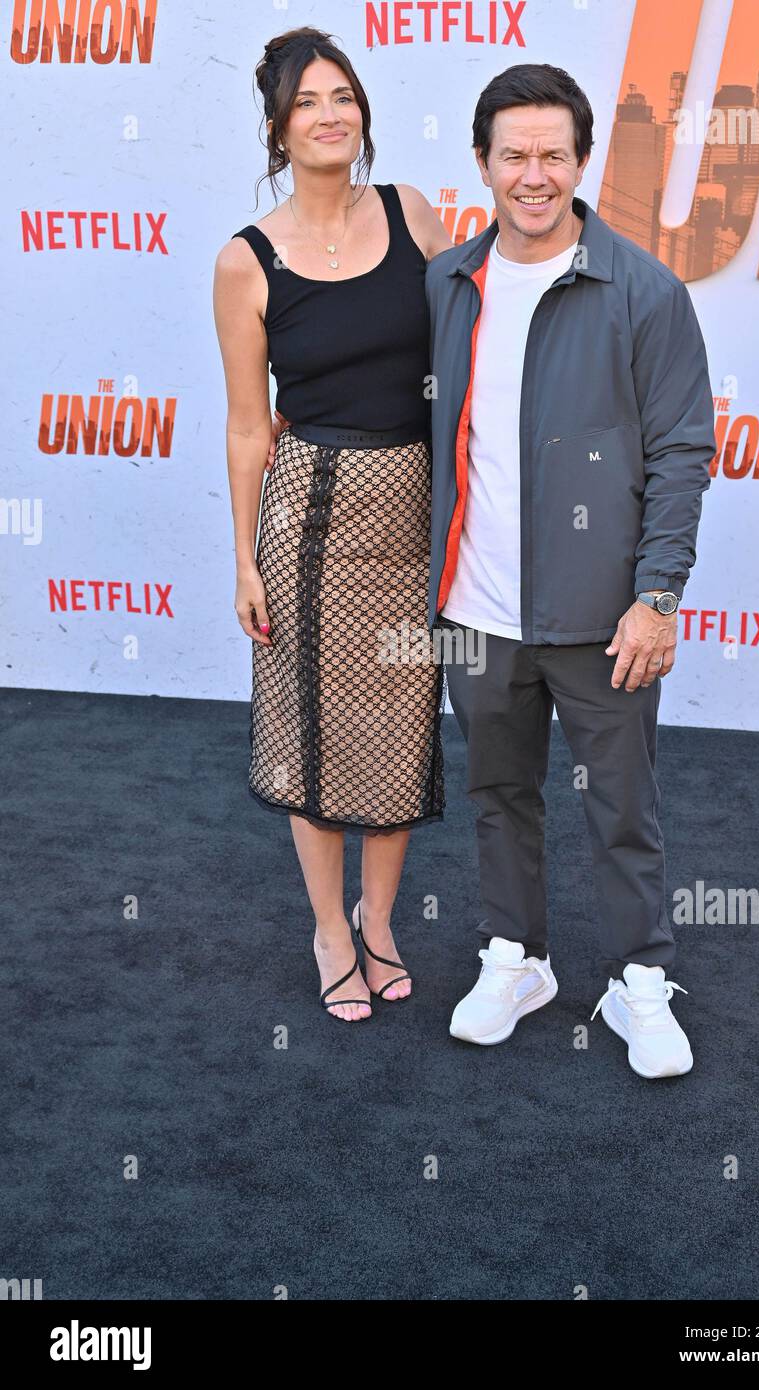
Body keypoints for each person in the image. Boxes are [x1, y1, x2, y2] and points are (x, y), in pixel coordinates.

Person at [425, 64, 717, 1077]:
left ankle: (641, 982)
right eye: (515, 155)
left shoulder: (643, 289)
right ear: (484, 163)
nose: (534, 175)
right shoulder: (449, 283)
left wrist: (656, 595)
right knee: (499, 794)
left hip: (604, 616)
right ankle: (518, 958)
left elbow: (683, 449)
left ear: (582, 161)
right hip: (476, 607)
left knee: (620, 806)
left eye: (554, 154)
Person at [213, 27, 452, 1022]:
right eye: (308, 101)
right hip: (308, 513)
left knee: (402, 725)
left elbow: (466, 357)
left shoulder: (414, 214)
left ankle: (381, 921)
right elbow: (243, 424)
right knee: (311, 731)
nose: (330, 114)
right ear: (277, 125)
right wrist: (243, 559)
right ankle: (327, 931)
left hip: (413, 504)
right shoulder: (247, 260)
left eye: (344, 95)